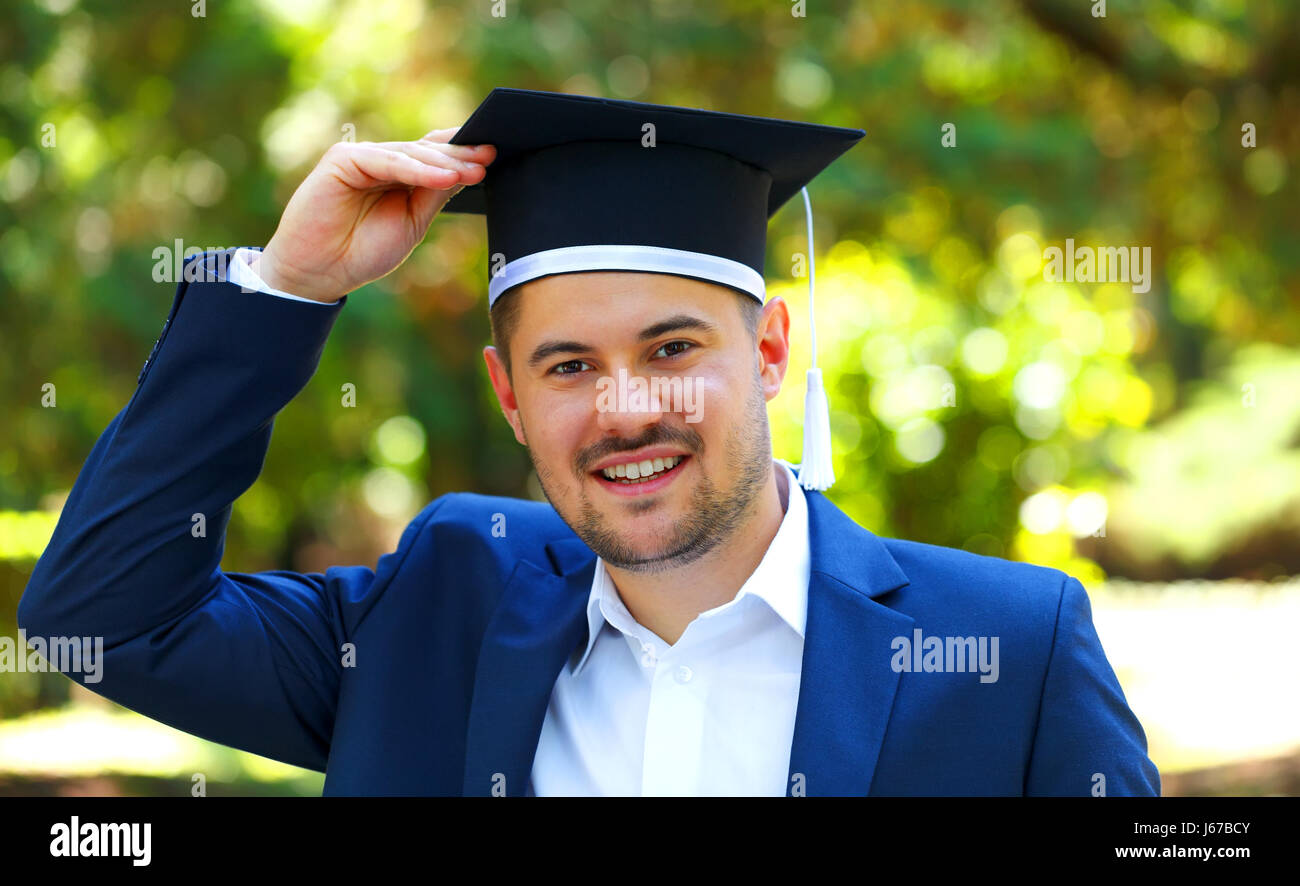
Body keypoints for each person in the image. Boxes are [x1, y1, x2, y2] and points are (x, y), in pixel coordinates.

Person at [18, 88, 1160, 796]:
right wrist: (286, 288)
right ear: (508, 397)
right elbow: (99, 621)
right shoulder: (438, 609)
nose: (623, 411)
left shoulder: (1010, 649)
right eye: (568, 366)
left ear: (767, 352)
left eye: (671, 349)